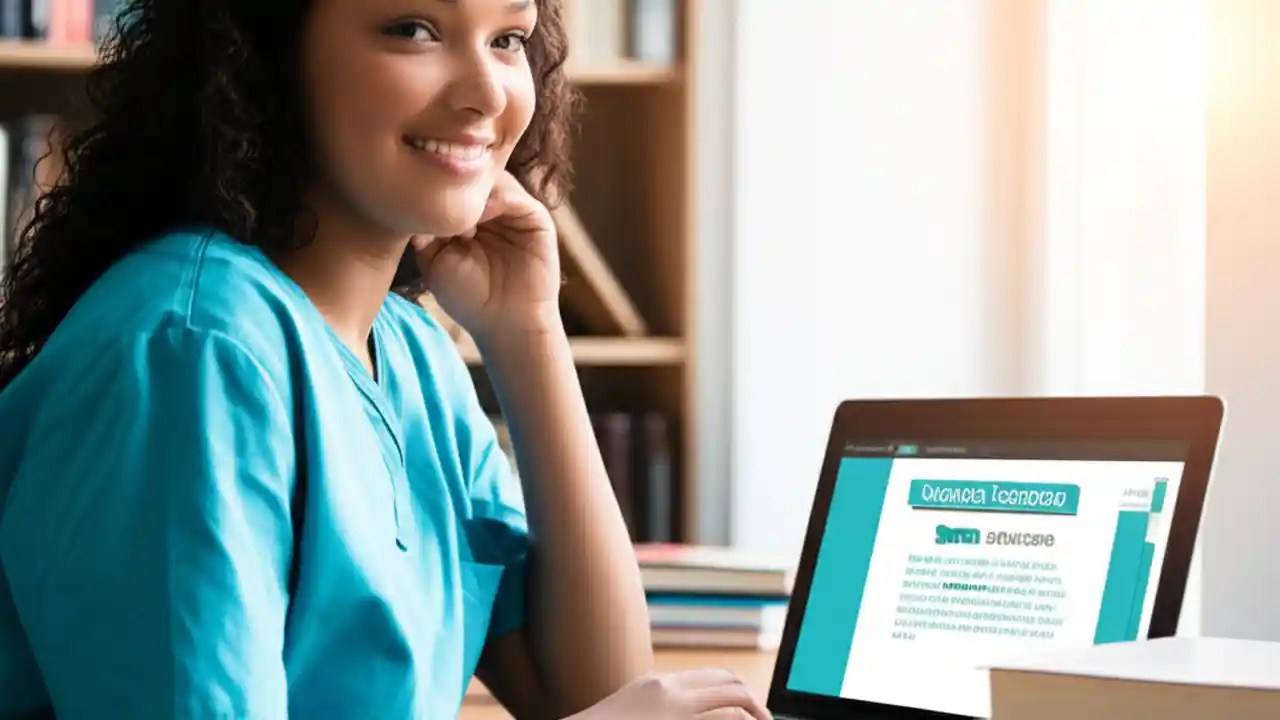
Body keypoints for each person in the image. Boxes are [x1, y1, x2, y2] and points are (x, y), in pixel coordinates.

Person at [0, 1, 772, 718]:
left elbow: (600, 691)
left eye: (508, 39)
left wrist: (529, 333)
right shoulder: (193, 352)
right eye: (414, 29)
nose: (487, 95)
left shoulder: (412, 355)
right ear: (267, 52)